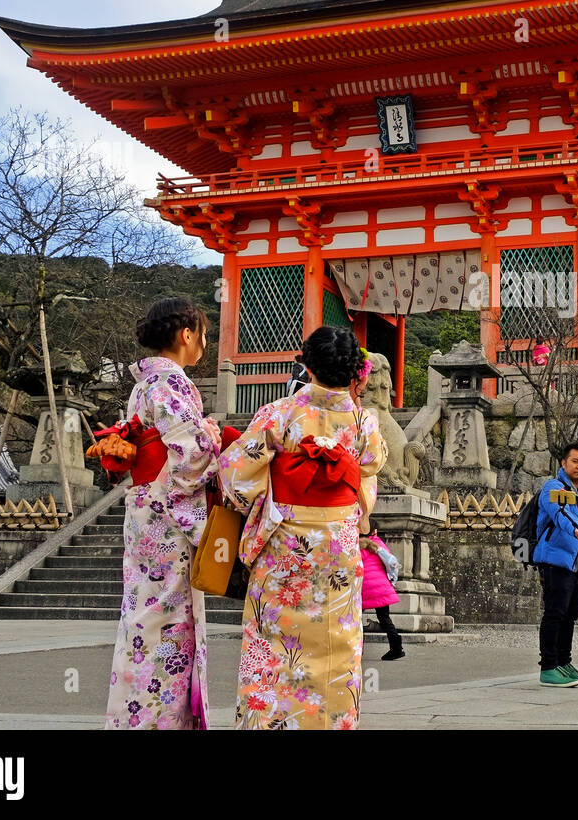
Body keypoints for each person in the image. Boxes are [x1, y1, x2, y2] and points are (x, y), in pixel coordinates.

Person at [218, 326, 387, 729]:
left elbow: (236, 475)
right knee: (338, 645)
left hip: (284, 544)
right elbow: (367, 481)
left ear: (306, 365)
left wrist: (265, 497)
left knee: (272, 643)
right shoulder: (366, 423)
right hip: (339, 548)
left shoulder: (280, 414)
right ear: (354, 372)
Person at [105, 297, 220, 730]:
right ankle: (159, 720)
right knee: (169, 619)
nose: (204, 344)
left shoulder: (144, 384)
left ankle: (133, 716)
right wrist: (213, 438)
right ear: (187, 334)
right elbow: (191, 456)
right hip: (167, 513)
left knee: (143, 613)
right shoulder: (170, 383)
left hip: (143, 510)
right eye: (203, 334)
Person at [533, 443, 578, 687]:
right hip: (556, 560)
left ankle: (563, 662)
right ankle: (548, 666)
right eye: (575, 461)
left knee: (569, 616)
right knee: (554, 613)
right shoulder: (553, 487)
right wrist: (577, 528)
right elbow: (562, 513)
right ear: (563, 463)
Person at [360, 527, 404, 661]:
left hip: (366, 587)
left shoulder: (358, 546)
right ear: (375, 531)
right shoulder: (379, 544)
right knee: (384, 618)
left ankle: (356, 649)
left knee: (355, 619)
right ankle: (396, 648)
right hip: (382, 586)